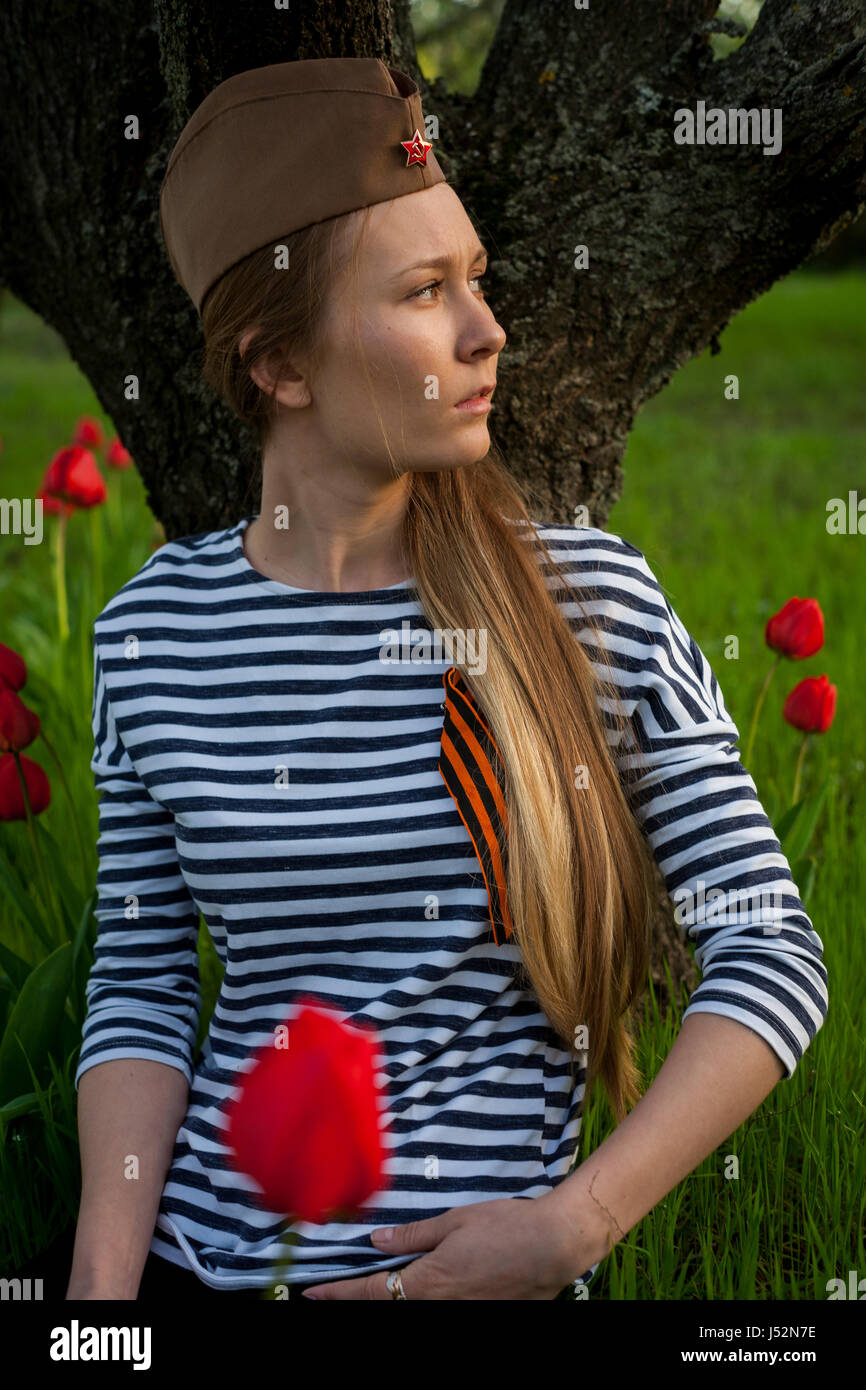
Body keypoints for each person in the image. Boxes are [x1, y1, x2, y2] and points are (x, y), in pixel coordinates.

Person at [65, 58, 828, 1302]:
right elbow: (143, 983)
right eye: (426, 291)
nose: (488, 331)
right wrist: (99, 1305)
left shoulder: (585, 606)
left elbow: (771, 950)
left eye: (474, 277)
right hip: (186, 1265)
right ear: (279, 366)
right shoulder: (153, 628)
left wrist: (571, 1228)